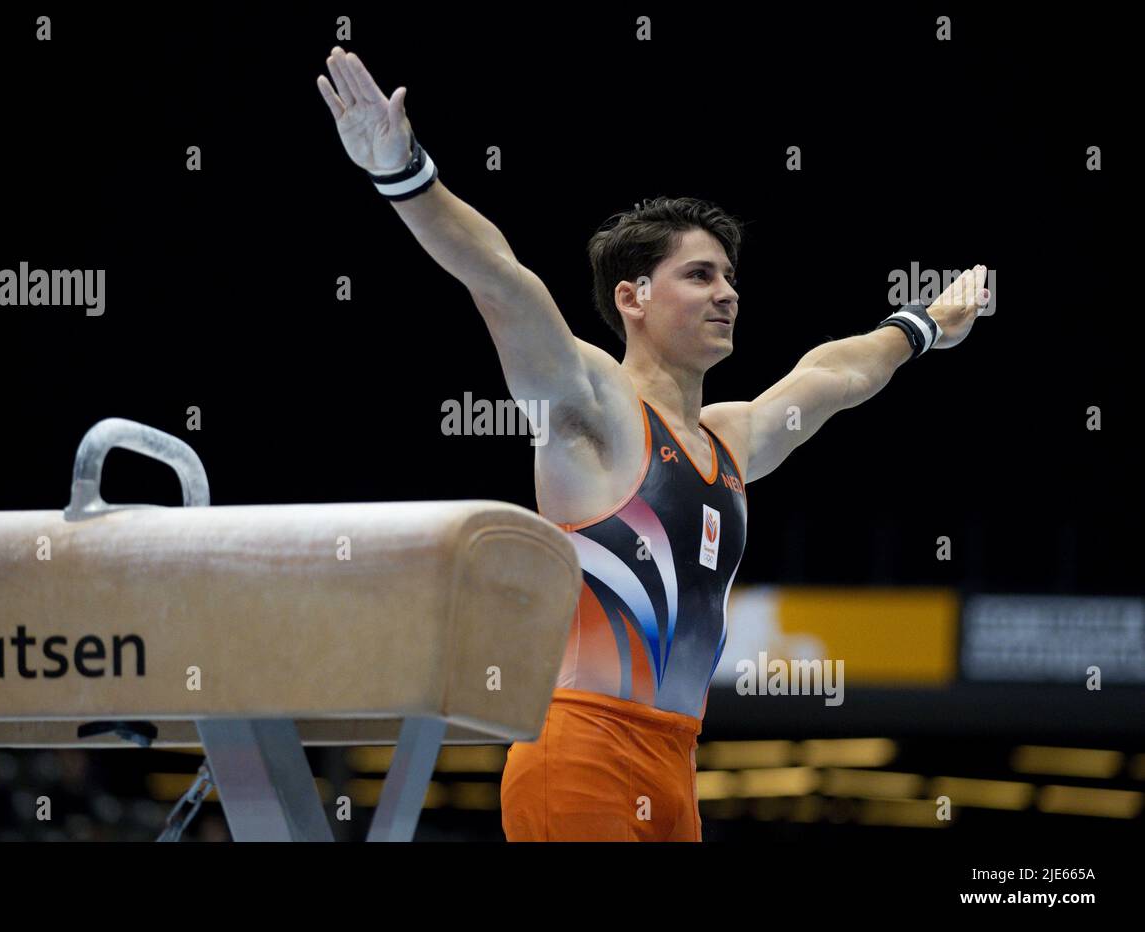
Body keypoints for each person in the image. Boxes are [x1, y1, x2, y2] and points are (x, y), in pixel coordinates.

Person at [316, 47, 990, 841]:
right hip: (579, 748)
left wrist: (924, 327)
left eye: (730, 277)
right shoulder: (591, 406)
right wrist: (404, 174)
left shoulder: (728, 438)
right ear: (632, 297)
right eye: (701, 276)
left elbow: (836, 375)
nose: (728, 293)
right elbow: (500, 277)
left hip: (675, 766)